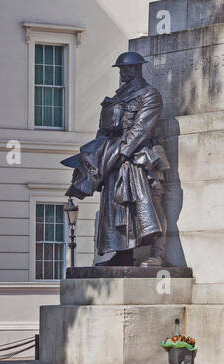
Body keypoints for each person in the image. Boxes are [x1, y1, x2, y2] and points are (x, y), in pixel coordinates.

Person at [62, 51, 169, 267]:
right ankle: (123, 255)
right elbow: (103, 131)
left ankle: (157, 255)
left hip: (141, 157)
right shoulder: (115, 99)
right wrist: (95, 155)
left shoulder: (149, 95)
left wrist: (122, 153)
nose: (123, 72)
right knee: (117, 208)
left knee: (151, 205)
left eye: (126, 68)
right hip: (115, 159)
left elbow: (142, 128)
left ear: (137, 68)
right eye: (121, 69)